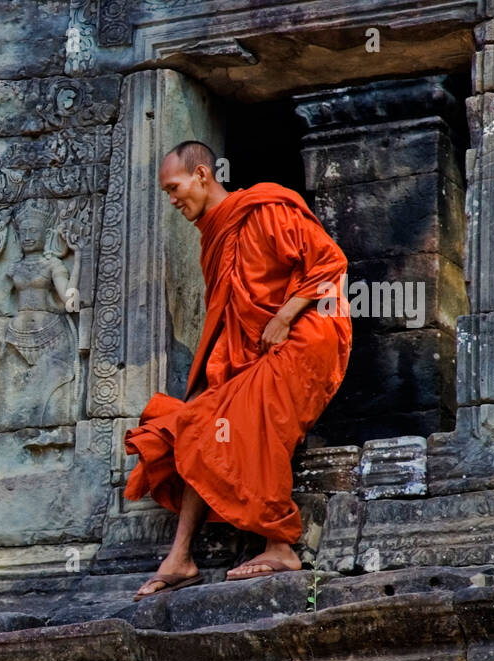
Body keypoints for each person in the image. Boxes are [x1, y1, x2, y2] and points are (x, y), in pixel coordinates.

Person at [128, 141, 352, 600]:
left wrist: (285, 315)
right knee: (194, 421)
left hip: (302, 339)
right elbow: (231, 317)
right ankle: (180, 557)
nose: (172, 200)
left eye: (174, 188)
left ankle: (281, 544)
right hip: (256, 356)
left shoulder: (263, 207)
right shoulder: (213, 237)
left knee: (245, 414)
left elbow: (331, 263)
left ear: (203, 175)